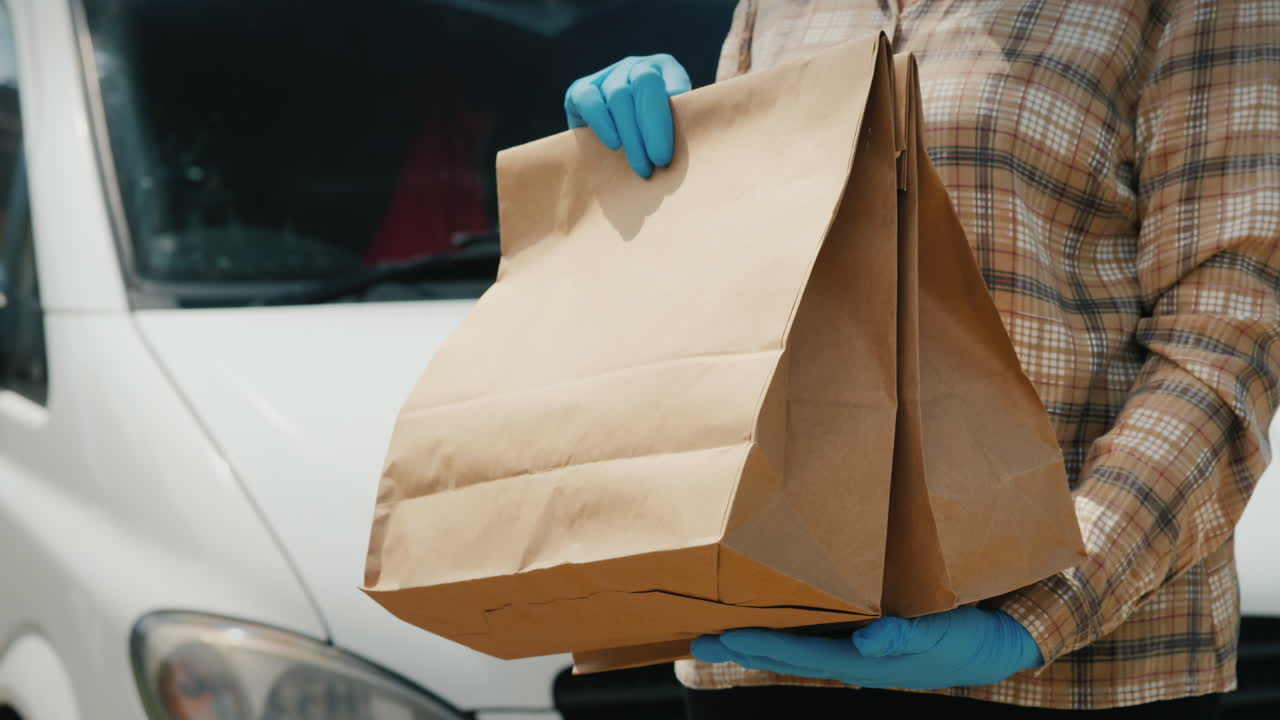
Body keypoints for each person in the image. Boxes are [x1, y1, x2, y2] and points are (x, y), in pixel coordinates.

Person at [563, 1, 1280, 718]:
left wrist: (1038, 614)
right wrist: (653, 173)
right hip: (767, 657)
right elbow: (744, 308)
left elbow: (1226, 338)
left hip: (1066, 677)